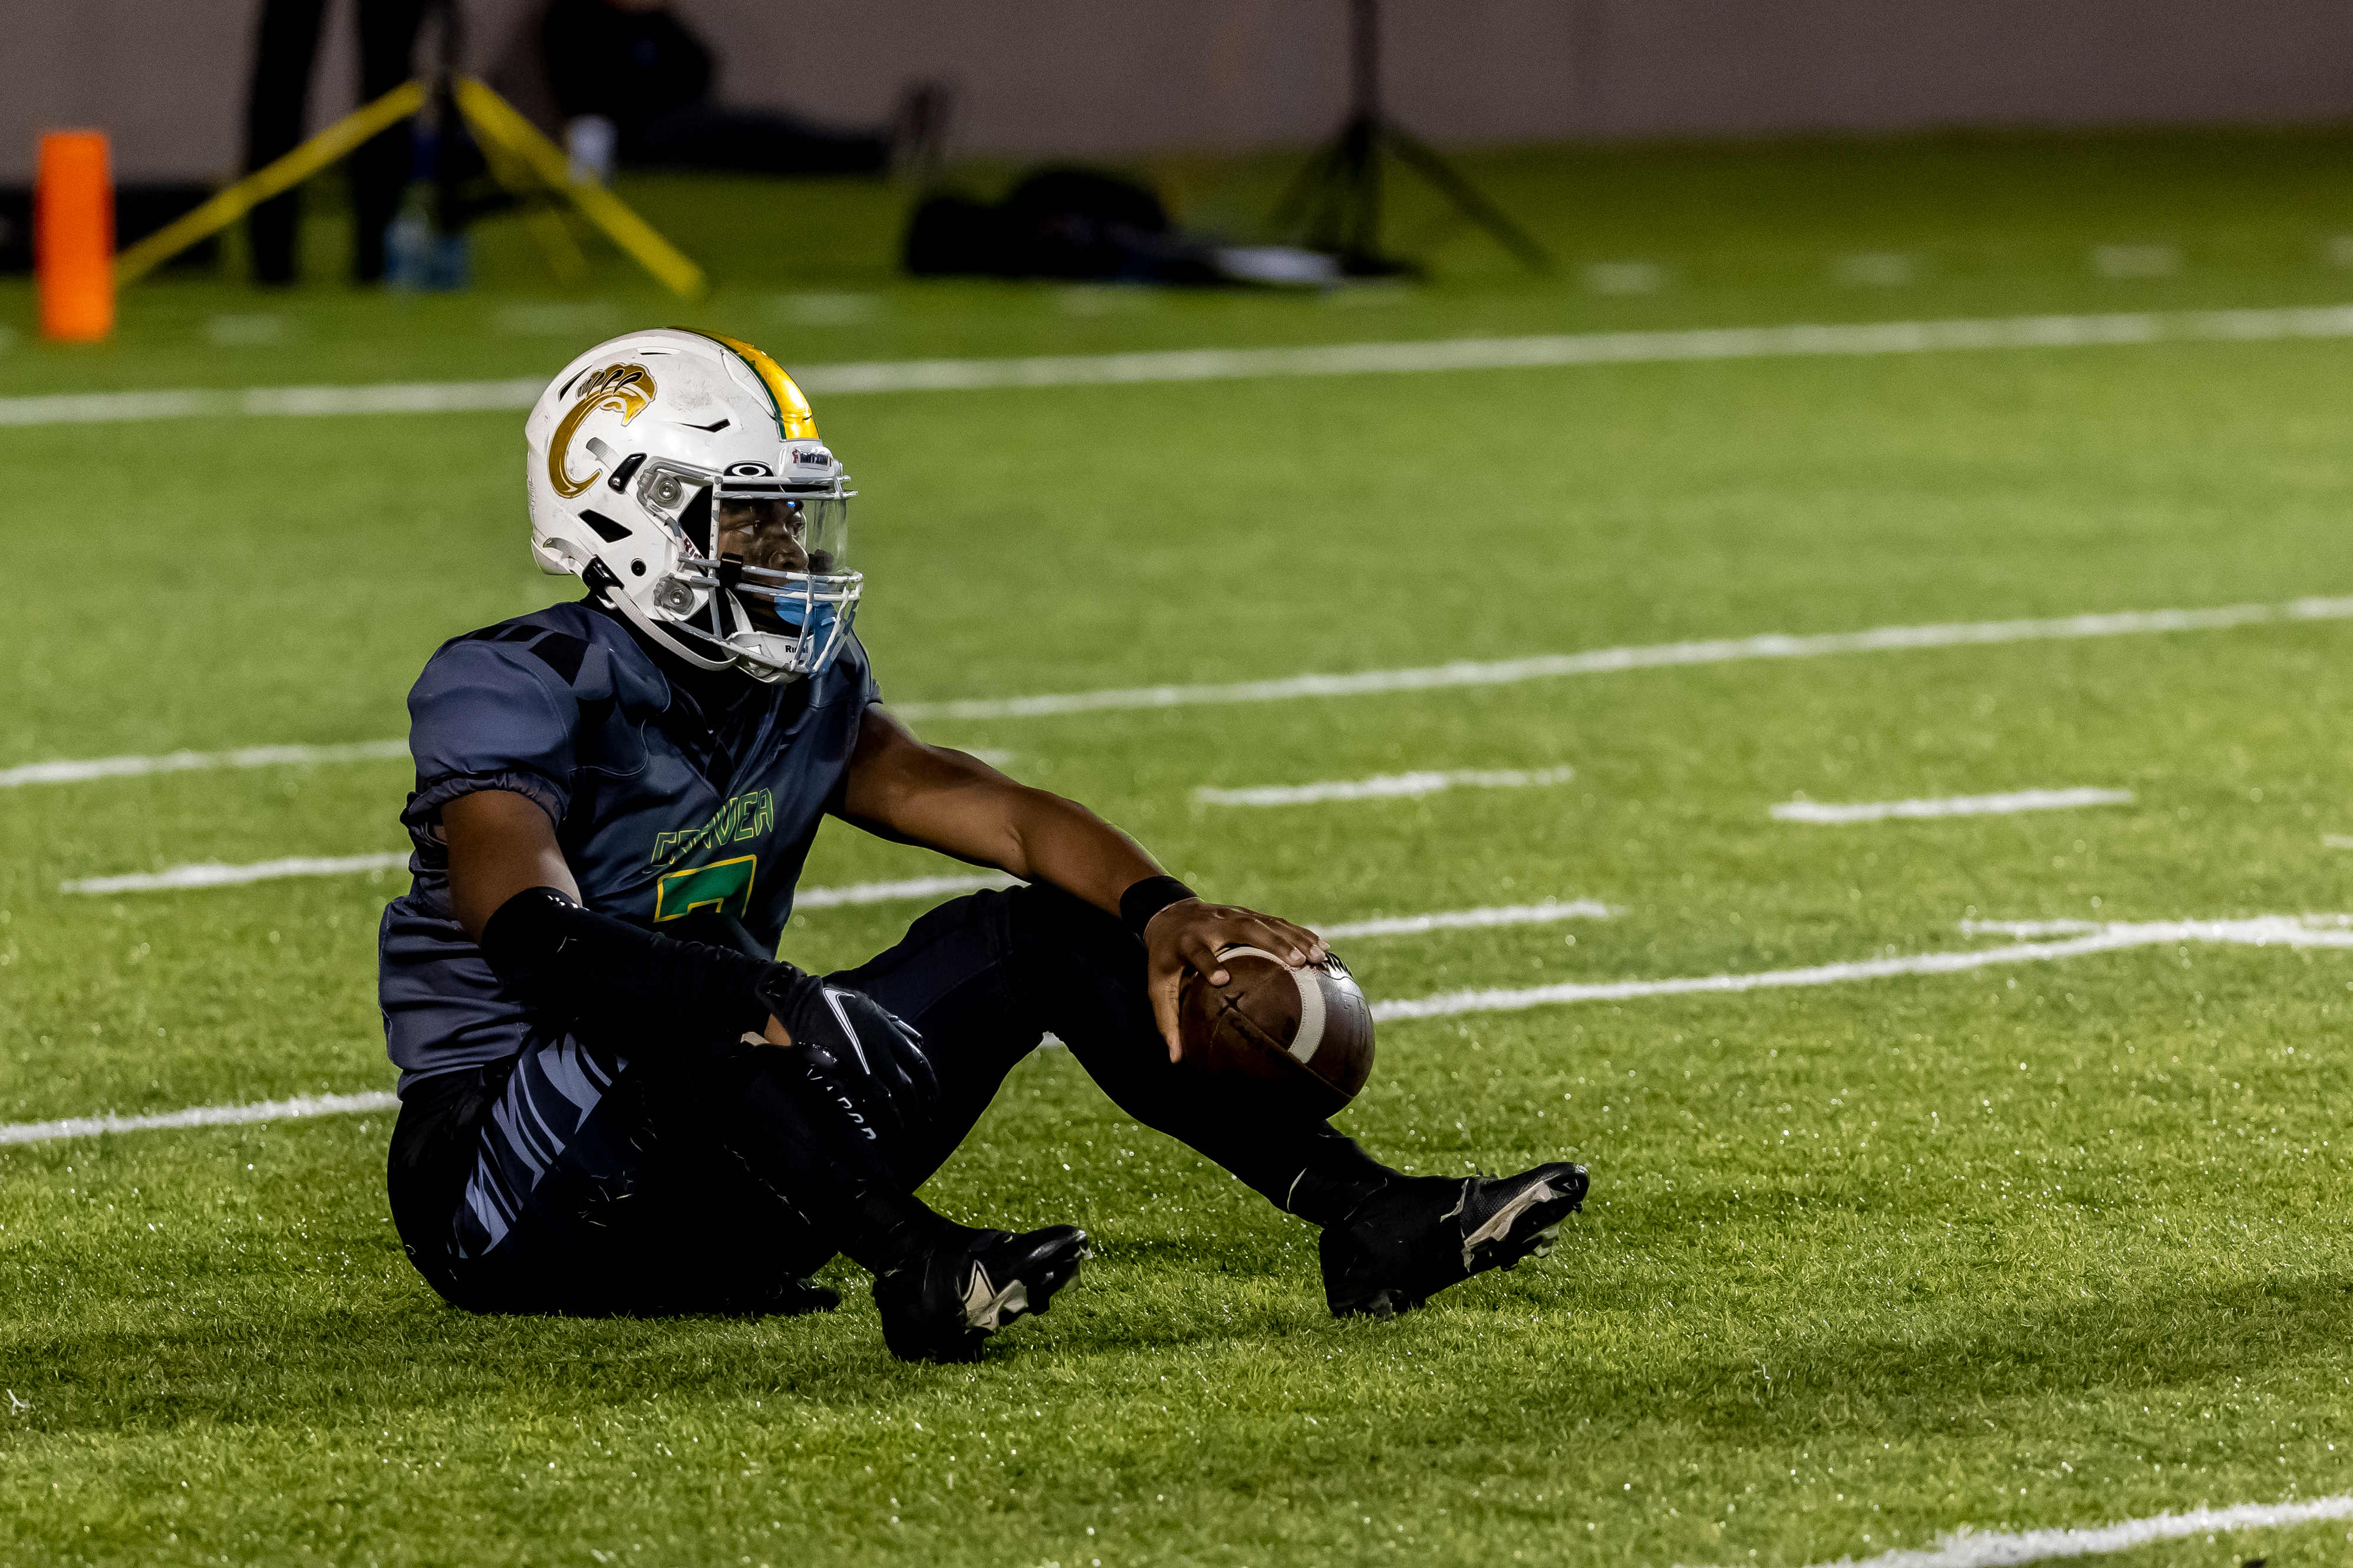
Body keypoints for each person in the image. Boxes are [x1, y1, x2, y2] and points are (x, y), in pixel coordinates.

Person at [380, 328, 1588, 1361]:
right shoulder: (516, 677)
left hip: (738, 1156)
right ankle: (917, 1267)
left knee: (1032, 932)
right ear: (622, 515)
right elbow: (530, 933)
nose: (790, 553)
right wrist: (751, 988)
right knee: (680, 1004)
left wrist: (1160, 906)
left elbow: (982, 803)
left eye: (798, 518)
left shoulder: (797, 683)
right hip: (503, 1184)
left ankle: (1368, 1213)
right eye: (749, 517)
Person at [539, 0, 914, 177]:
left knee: (765, 129)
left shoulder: (653, 23)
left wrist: (652, 19)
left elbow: (699, 64)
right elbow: (590, 92)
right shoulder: (573, 20)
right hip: (631, 137)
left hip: (682, 120)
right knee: (759, 132)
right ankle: (867, 152)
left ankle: (867, 152)